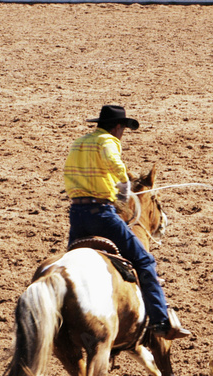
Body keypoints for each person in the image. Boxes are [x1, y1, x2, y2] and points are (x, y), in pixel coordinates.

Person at [64, 105, 190, 340]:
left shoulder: (79, 143)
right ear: (118, 126)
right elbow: (115, 164)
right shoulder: (107, 141)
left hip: (77, 214)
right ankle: (161, 321)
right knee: (144, 261)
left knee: (68, 267)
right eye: (123, 129)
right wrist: (123, 187)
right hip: (101, 213)